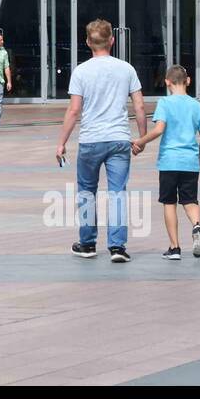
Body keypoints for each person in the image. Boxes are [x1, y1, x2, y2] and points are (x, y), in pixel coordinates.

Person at [55, 19, 146, 263]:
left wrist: (62, 142)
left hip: (91, 140)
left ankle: (87, 243)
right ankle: (117, 247)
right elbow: (138, 105)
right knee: (117, 192)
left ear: (87, 42)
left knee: (87, 192)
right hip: (119, 139)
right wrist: (142, 137)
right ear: (112, 41)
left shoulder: (81, 71)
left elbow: (74, 110)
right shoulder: (126, 69)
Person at [132, 65, 200, 260]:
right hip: (190, 161)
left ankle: (174, 248)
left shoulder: (164, 102)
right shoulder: (196, 105)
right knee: (190, 200)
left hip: (169, 161)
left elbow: (159, 130)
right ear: (188, 81)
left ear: (167, 82)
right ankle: (196, 225)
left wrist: (140, 141)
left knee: (169, 203)